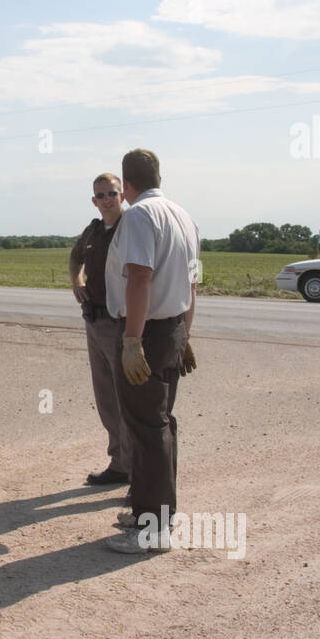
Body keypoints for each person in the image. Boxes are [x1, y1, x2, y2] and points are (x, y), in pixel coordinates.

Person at [102, 149, 199, 554]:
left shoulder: (141, 216)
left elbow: (139, 278)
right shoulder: (183, 216)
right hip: (171, 328)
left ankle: (152, 527)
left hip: (147, 332)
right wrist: (185, 336)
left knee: (146, 426)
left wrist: (131, 341)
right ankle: (153, 509)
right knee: (159, 421)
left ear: (126, 185)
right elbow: (192, 287)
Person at [68, 174, 130, 487]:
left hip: (120, 322)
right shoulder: (93, 230)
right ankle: (120, 463)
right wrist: (76, 281)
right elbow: (76, 255)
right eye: (100, 195)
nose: (106, 199)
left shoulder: (132, 228)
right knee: (106, 397)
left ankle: (136, 466)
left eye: (112, 193)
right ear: (94, 201)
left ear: (123, 195)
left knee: (128, 398)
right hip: (93, 320)